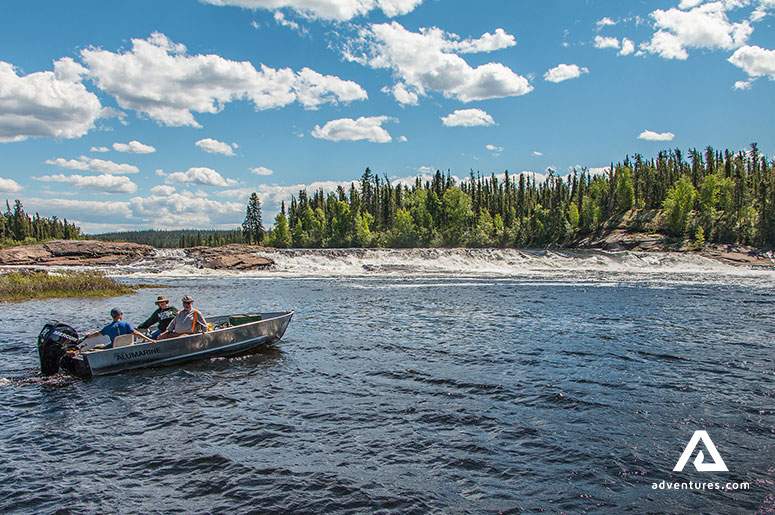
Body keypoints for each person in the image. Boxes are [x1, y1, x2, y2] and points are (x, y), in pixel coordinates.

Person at [84, 308, 156, 348]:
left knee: (97, 347)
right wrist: (149, 339)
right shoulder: (126, 324)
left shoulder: (108, 328)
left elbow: (97, 334)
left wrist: (88, 336)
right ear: (120, 315)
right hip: (127, 346)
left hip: (114, 347)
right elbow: (136, 333)